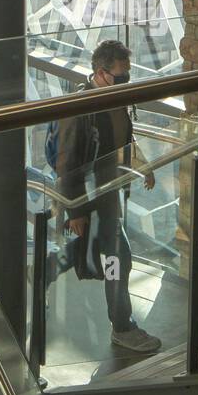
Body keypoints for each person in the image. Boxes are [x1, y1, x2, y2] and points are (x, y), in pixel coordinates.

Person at [55, 39, 161, 354]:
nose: (126, 81)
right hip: (95, 200)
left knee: (111, 258)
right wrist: (76, 210)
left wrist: (143, 165)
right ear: (101, 73)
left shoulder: (117, 100)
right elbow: (68, 162)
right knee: (119, 259)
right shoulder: (81, 107)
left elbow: (123, 139)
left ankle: (119, 323)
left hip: (109, 197)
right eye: (122, 75)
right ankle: (123, 326)